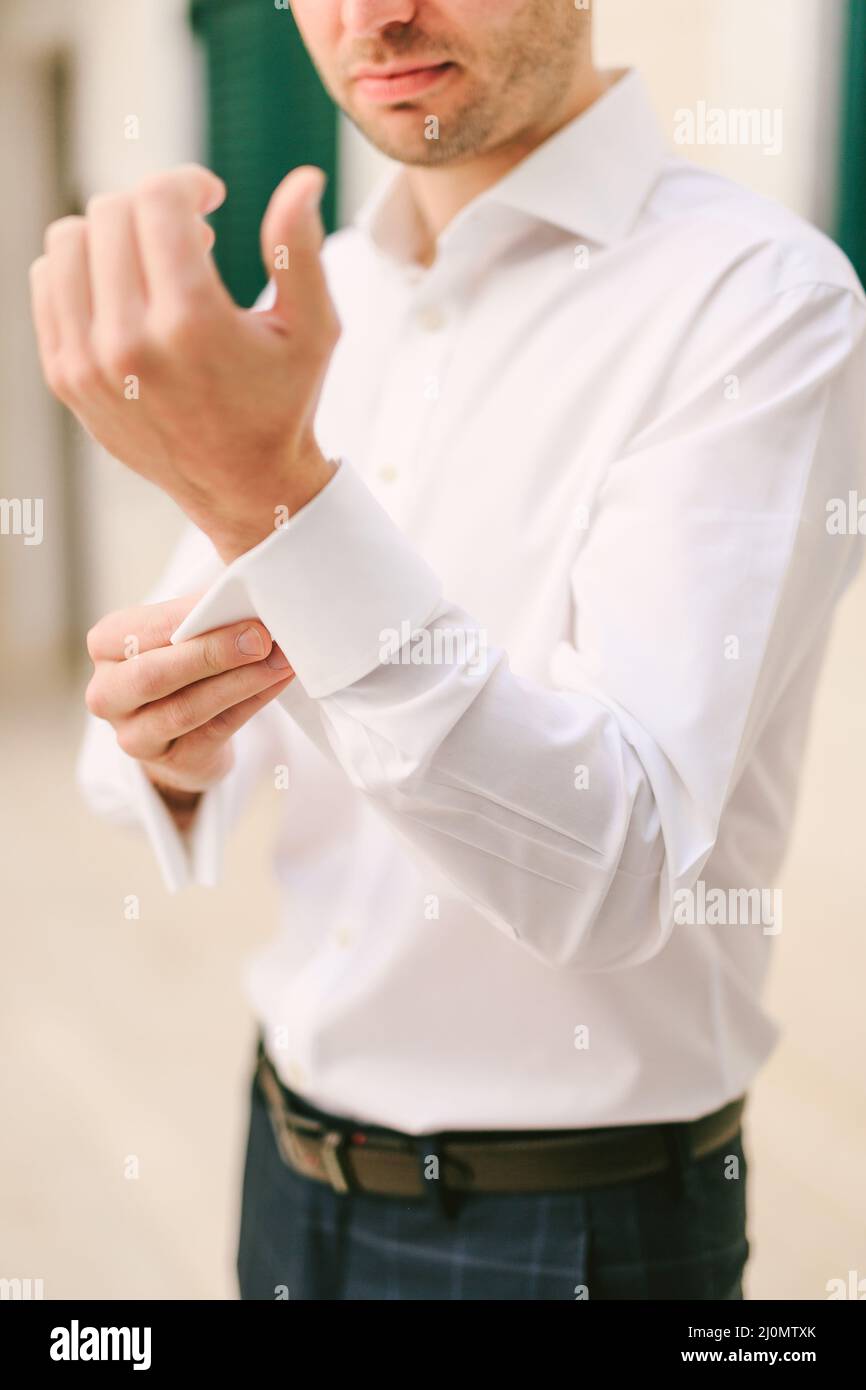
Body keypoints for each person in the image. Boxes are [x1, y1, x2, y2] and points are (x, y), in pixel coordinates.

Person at [31, 1, 866, 1300]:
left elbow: (616, 863)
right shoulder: (323, 295)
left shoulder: (756, 300)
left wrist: (278, 497)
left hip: (572, 1228)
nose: (372, 15)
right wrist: (168, 745)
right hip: (282, 1160)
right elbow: (150, 740)